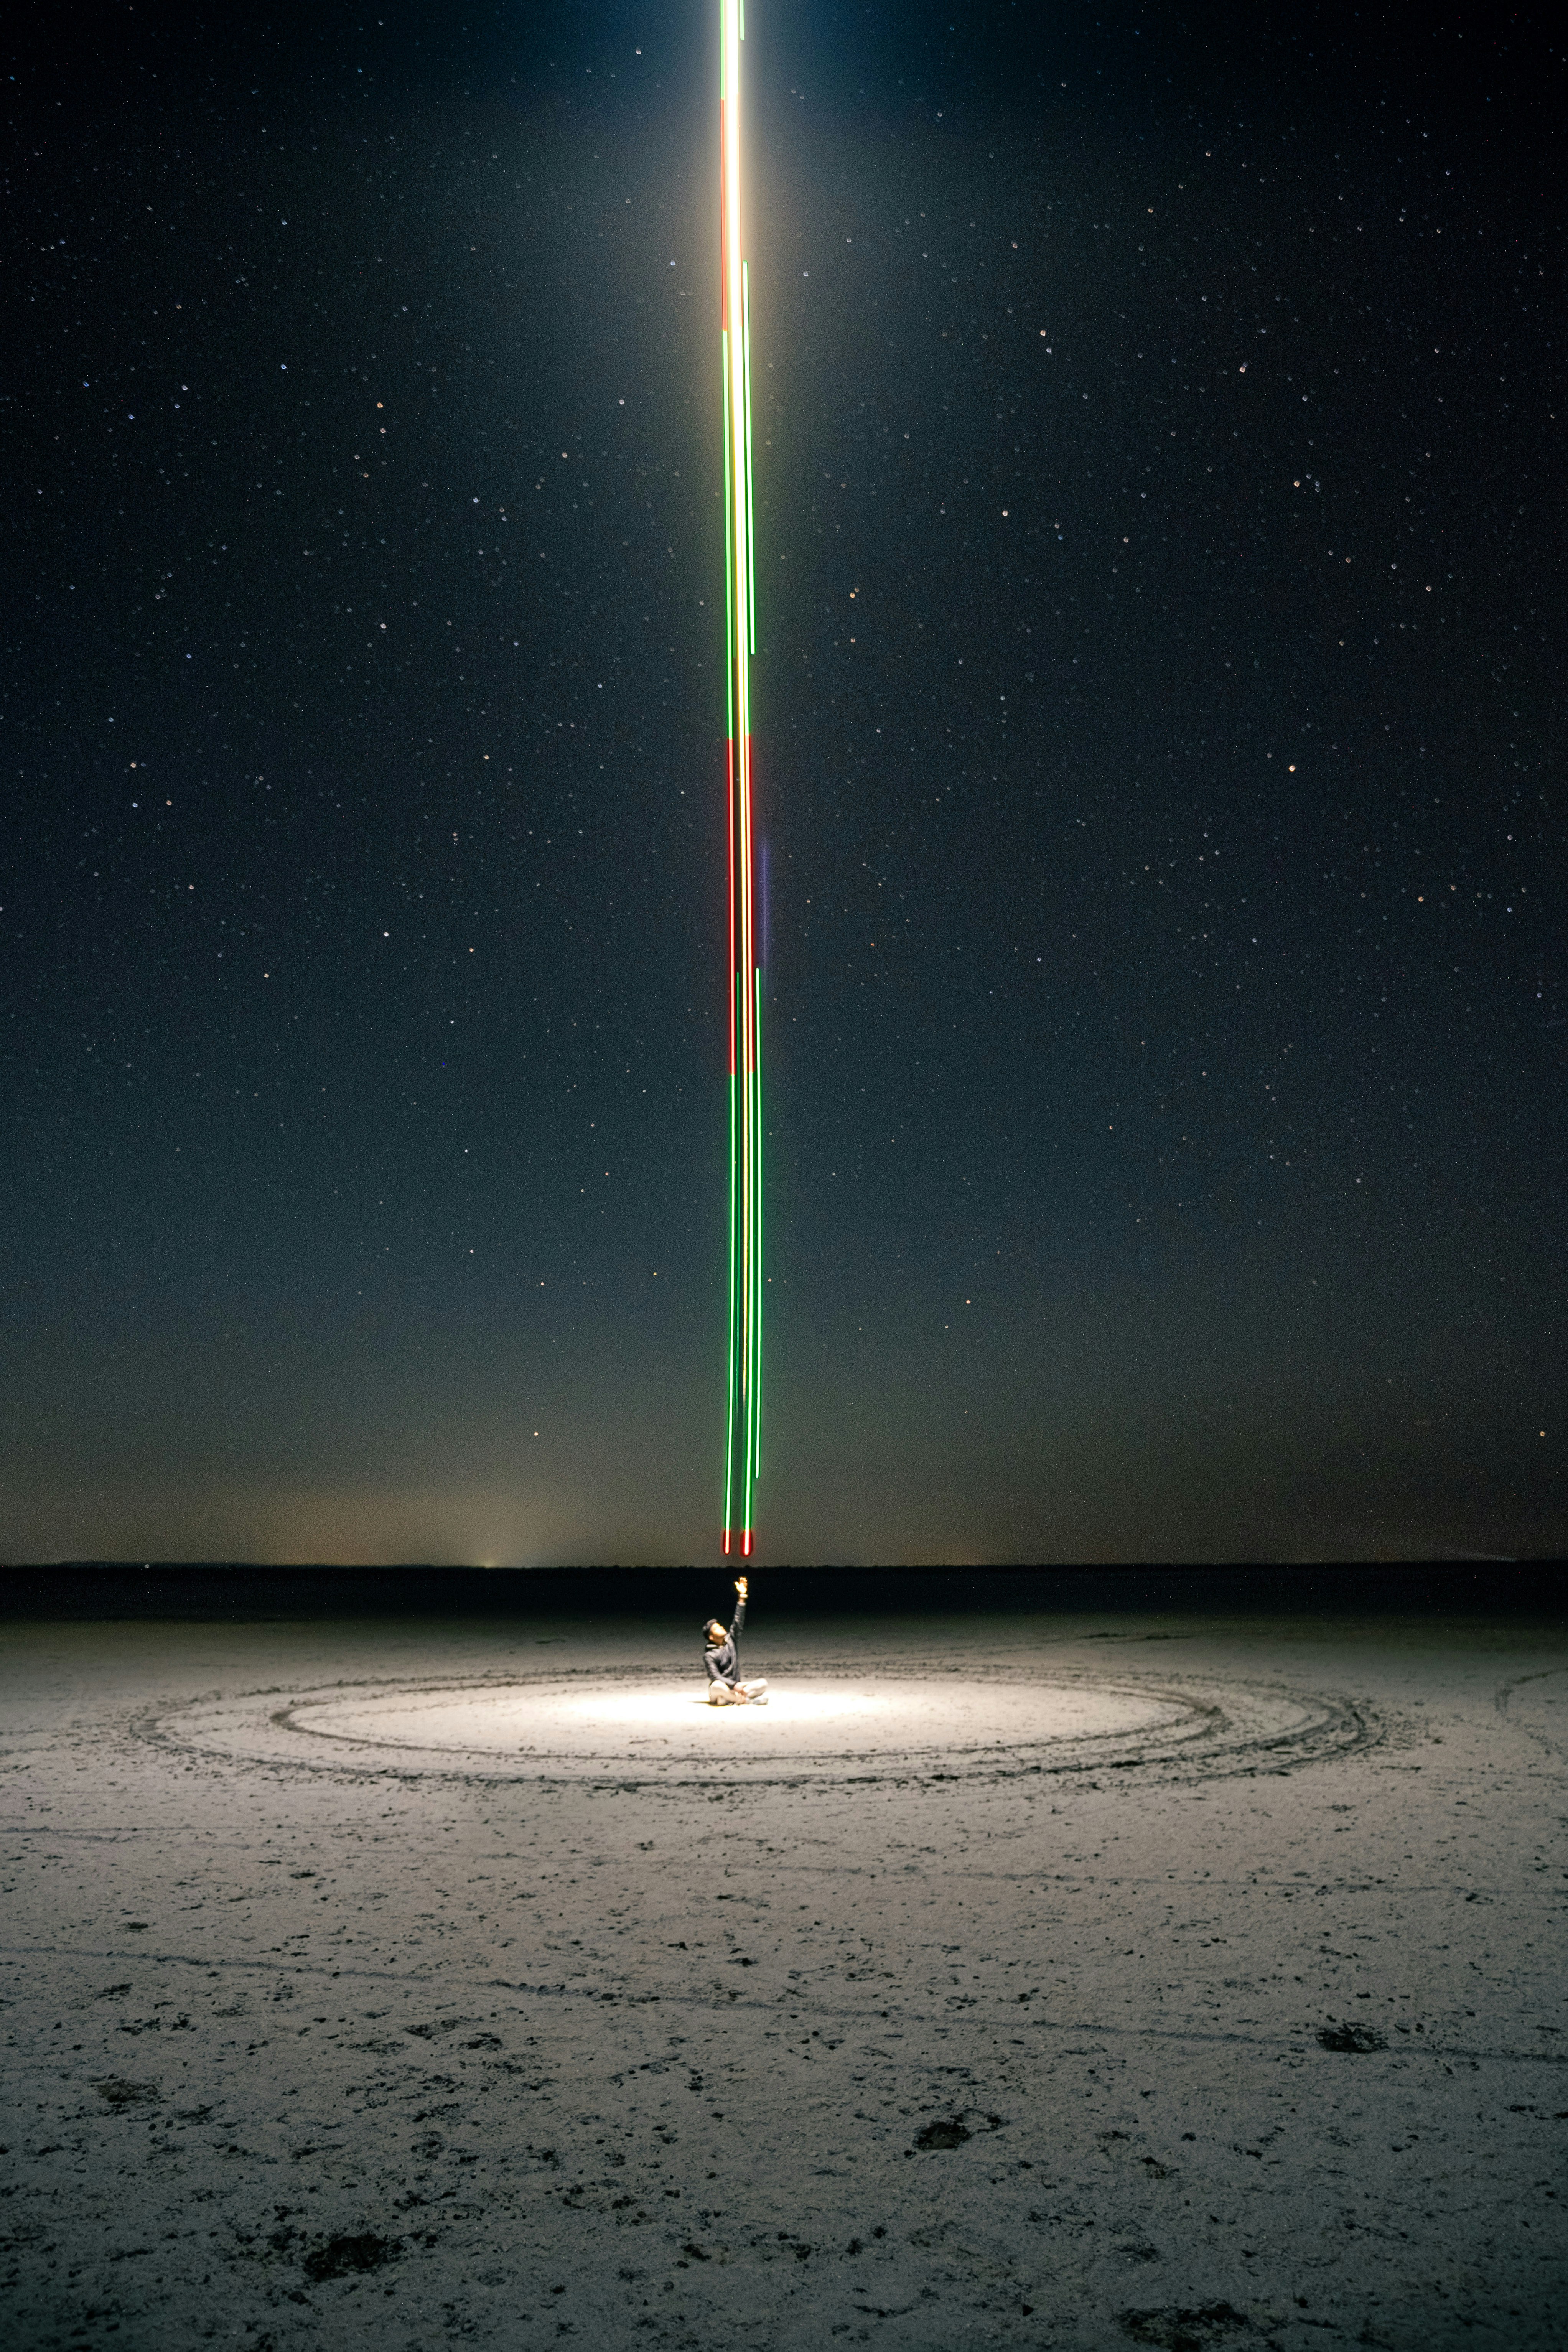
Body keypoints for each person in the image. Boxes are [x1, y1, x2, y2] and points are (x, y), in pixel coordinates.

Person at [703, 1576, 768, 1705]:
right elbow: (715, 1676)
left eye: (720, 1626)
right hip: (722, 1688)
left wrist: (742, 1597)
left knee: (763, 1683)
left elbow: (738, 1622)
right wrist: (733, 1685)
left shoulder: (731, 1641)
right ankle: (747, 1701)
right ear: (711, 1637)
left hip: (736, 1688)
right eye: (717, 1628)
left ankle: (728, 1699)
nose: (721, 1627)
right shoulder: (709, 1655)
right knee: (717, 1685)